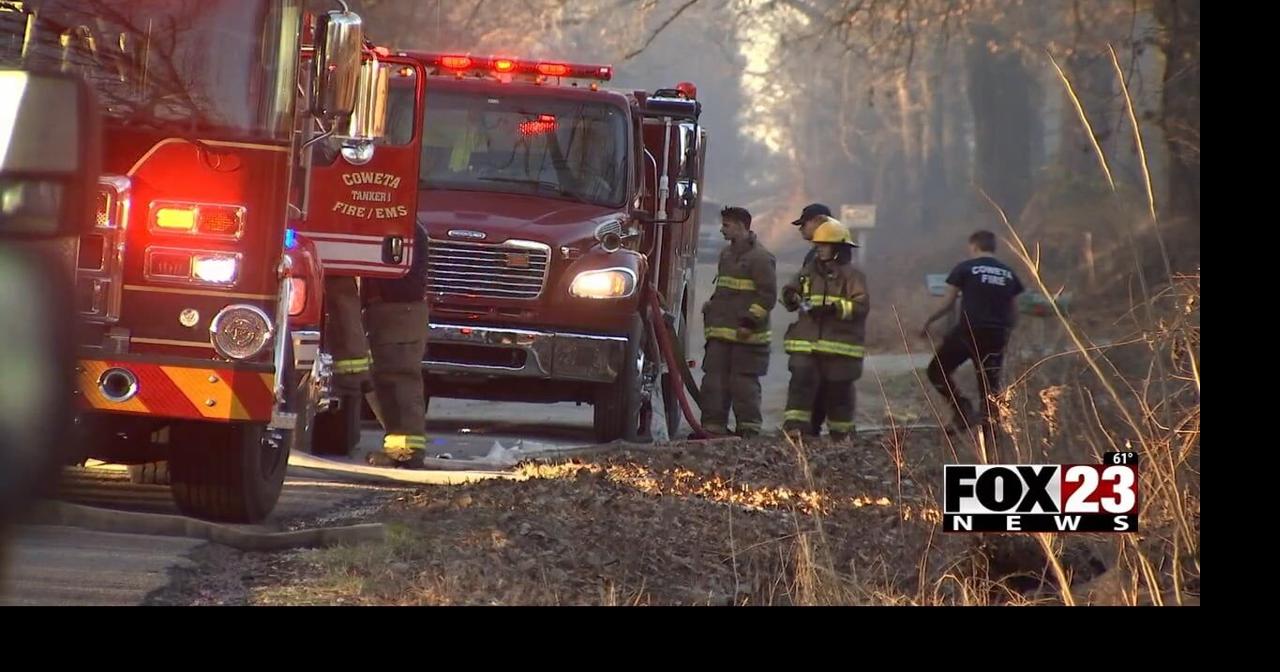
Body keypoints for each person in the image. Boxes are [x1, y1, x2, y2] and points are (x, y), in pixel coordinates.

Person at [919, 230, 1025, 433]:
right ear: (993, 247)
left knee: (936, 370)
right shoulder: (1009, 273)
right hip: (996, 335)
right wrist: (1006, 334)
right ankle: (991, 437)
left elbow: (948, 304)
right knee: (989, 388)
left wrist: (928, 321)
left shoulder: (966, 268)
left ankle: (962, 410)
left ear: (974, 247)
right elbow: (1014, 312)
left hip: (969, 332)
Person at [781, 217, 869, 442]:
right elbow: (790, 290)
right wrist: (790, 296)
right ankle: (796, 431)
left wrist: (834, 308)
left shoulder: (853, 276)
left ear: (839, 248)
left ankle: (842, 435)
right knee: (800, 385)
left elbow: (860, 306)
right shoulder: (808, 272)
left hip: (841, 347)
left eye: (823, 246)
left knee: (838, 392)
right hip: (807, 344)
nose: (818, 250)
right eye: (817, 246)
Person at [699, 206, 776, 438]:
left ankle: (749, 430)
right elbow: (724, 289)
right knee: (714, 381)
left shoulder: (761, 258)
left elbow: (767, 296)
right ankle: (713, 428)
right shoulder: (726, 255)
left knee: (743, 384)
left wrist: (750, 323)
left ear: (742, 226)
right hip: (721, 333)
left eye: (727, 225)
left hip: (747, 336)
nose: (722, 230)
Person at [790, 203, 835, 435]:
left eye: (804, 224)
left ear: (818, 221)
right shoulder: (829, 249)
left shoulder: (824, 252)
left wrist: (803, 304)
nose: (801, 230)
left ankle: (811, 427)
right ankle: (812, 426)